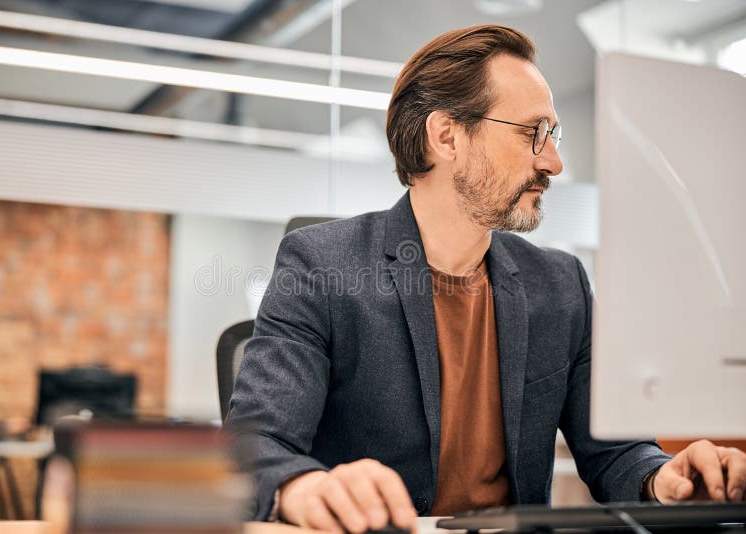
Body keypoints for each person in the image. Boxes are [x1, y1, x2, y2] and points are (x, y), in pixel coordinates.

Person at [225, 25, 746, 533]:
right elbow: (254, 446)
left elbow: (616, 453)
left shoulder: (560, 284)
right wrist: (305, 488)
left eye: (554, 135)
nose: (555, 162)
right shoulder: (321, 265)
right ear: (447, 136)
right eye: (533, 133)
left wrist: (665, 479)